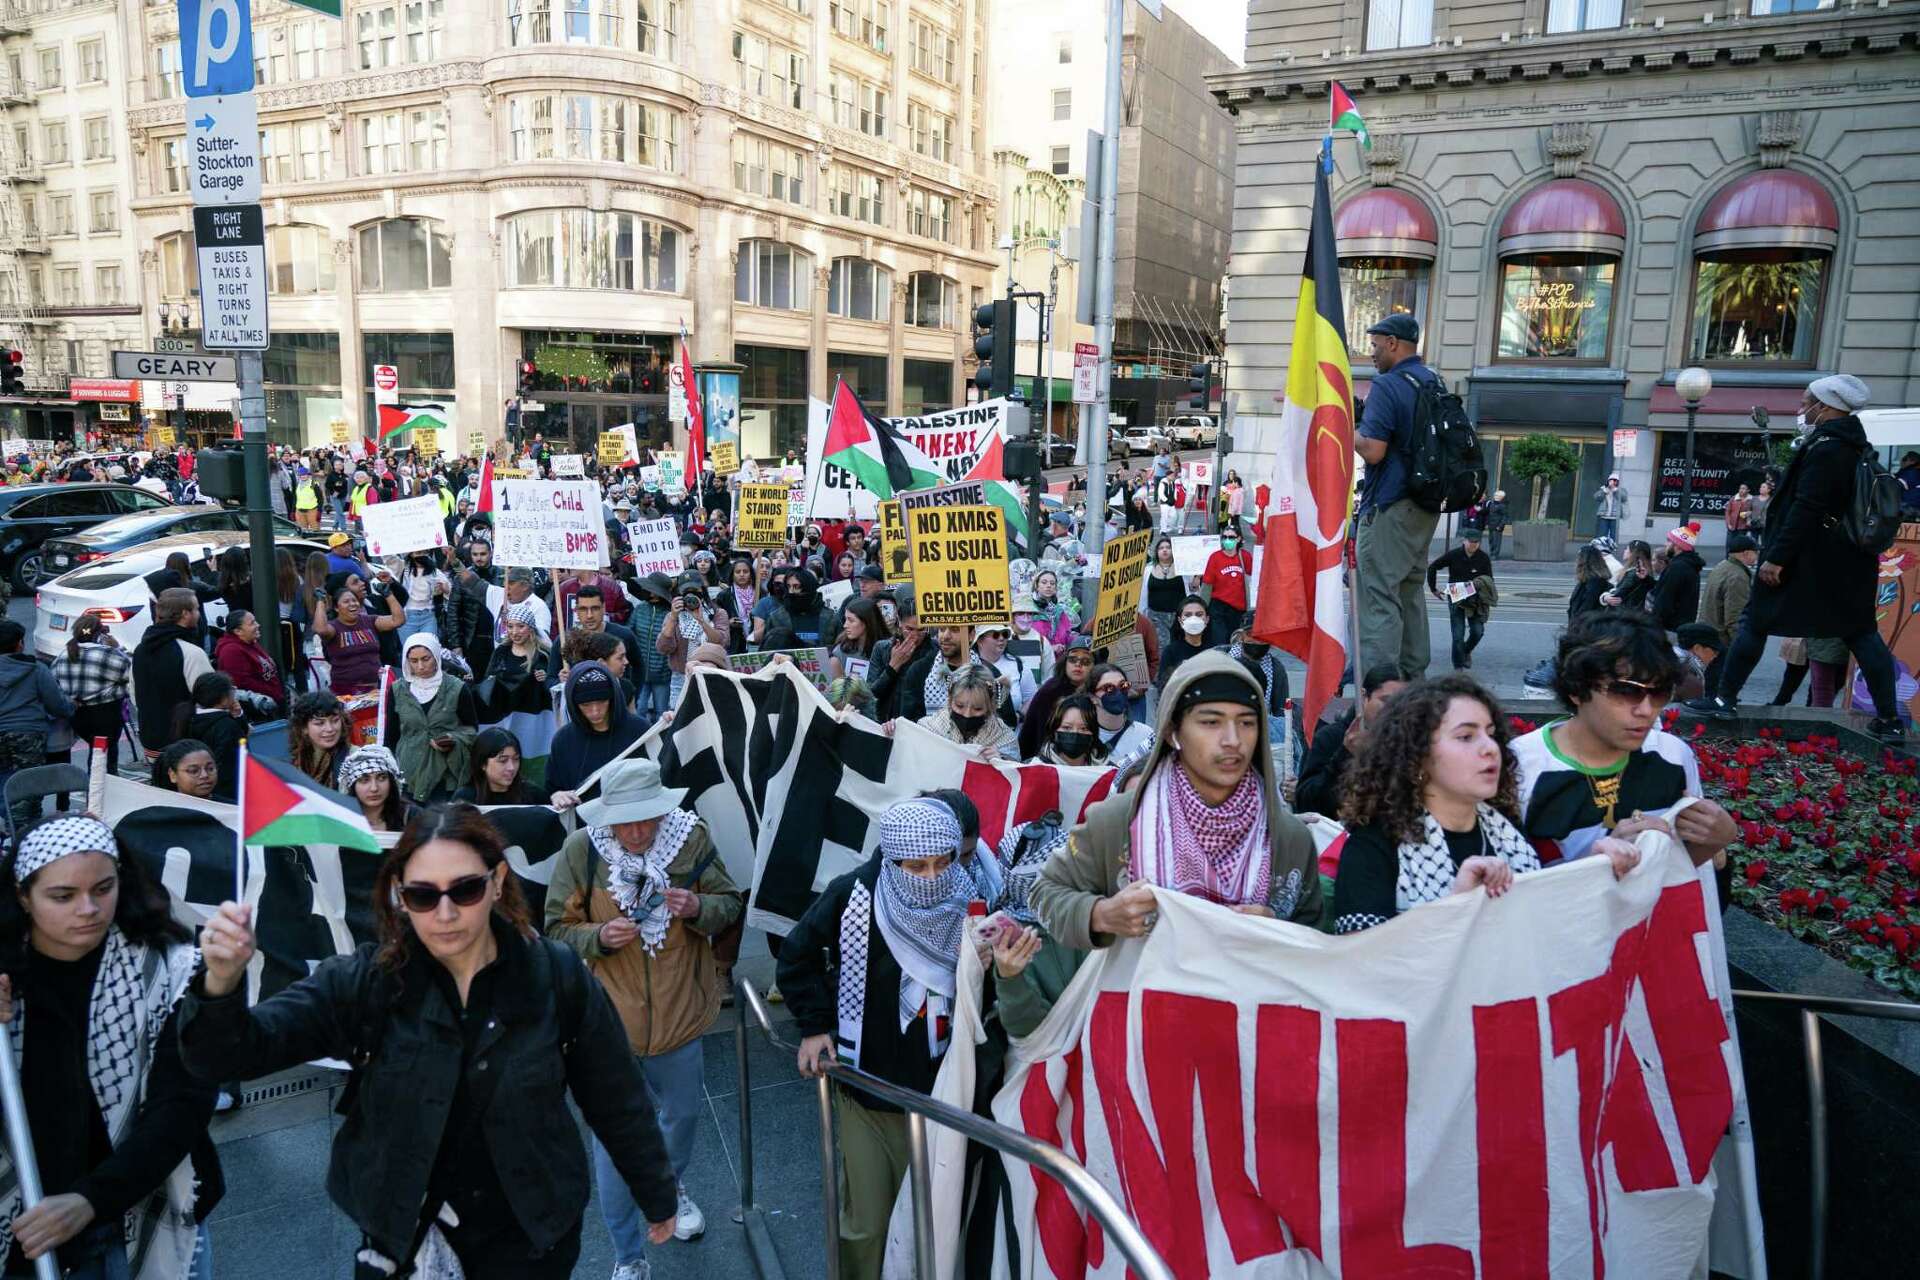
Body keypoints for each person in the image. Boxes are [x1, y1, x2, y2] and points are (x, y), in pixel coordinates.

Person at [183, 804, 680, 1278]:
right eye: (423, 895)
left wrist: (656, 1193)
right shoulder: (366, 983)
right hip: (403, 1233)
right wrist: (219, 984)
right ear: (400, 894)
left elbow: (616, 1094)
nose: (444, 914)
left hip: (530, 1233)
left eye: (464, 890)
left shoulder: (554, 974)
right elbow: (230, 1054)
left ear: (497, 881)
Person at [0, 814, 222, 1279]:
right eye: (63, 896)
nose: (88, 909)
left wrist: (91, 1199)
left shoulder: (170, 968)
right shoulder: (6, 979)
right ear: (23, 896)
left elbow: (181, 1104)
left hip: (147, 1210)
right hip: (27, 1229)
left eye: (103, 888)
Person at [544, 759, 742, 1274]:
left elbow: (729, 905)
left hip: (680, 1014)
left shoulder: (691, 840)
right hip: (607, 1028)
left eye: (646, 818)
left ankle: (667, 1191)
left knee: (682, 1118)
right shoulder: (581, 850)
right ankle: (627, 1256)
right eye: (624, 821)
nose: (635, 832)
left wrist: (697, 906)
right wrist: (597, 938)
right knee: (613, 1143)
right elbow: (554, 930)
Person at [777, 799, 980, 1280]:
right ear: (892, 861)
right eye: (916, 866)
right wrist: (813, 1026)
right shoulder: (854, 896)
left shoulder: (968, 896)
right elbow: (797, 956)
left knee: (938, 1221)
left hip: (943, 1092)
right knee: (867, 1224)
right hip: (868, 1089)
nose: (931, 877)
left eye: (941, 863)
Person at [1031, 650, 1324, 962]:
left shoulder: (1289, 838)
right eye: (1211, 722)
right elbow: (1045, 893)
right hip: (1140, 1005)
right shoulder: (1118, 821)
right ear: (1172, 733)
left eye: (1247, 722)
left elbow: (1315, 942)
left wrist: (1278, 935)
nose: (1232, 740)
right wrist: (1101, 915)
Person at [1331, 676, 1643, 934]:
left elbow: (1544, 915)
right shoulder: (1372, 846)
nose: (1490, 749)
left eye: (1491, 734)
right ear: (1416, 755)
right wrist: (1459, 903)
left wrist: (1595, 867)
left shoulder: (1506, 831)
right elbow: (1364, 966)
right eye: (1466, 737)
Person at [1685, 375, 1905, 738]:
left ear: (1829, 406)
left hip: (1811, 561)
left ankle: (1725, 699)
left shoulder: (1829, 448)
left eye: (1807, 403)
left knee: (1755, 623)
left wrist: (1777, 557)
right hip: (1846, 563)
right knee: (1861, 633)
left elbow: (1807, 507)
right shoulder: (1850, 445)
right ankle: (1889, 719)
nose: (1803, 410)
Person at [1512, 611, 1738, 872]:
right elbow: (1511, 893)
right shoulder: (1520, 768)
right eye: (1627, 690)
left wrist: (1714, 842)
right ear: (1576, 689)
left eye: (1659, 692)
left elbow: (1681, 872)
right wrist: (1601, 867)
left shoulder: (1673, 756)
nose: (1646, 709)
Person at [1350, 314, 1442, 678]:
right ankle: (1413, 680)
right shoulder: (1433, 380)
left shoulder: (1387, 385)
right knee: (1410, 592)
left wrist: (1347, 429)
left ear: (1392, 343)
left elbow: (1373, 450)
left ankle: (1381, 690)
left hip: (1389, 504)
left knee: (1379, 597)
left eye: (1374, 345)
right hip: (1424, 506)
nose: (1372, 353)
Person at [1294, 663, 1407, 819]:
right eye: (1386, 701)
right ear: (1363, 697)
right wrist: (1345, 755)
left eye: (1402, 702)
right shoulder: (1329, 738)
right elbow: (1307, 803)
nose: (1394, 710)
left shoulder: (1410, 742)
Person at [383, 636, 478, 803]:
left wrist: (452, 739)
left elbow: (471, 729)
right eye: (413, 661)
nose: (420, 666)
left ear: (436, 656)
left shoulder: (457, 688)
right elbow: (391, 735)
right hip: (409, 771)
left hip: (446, 773)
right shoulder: (398, 690)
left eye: (425, 659)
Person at [547, 660, 645, 804]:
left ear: (613, 699)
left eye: (602, 702)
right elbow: (552, 787)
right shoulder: (564, 740)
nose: (595, 711)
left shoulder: (640, 731)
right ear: (574, 705)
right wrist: (557, 795)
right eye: (585, 705)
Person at [131, 590, 210, 757]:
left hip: (151, 741)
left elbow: (134, 694)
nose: (199, 614)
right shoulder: (191, 652)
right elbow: (209, 701)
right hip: (186, 746)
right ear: (185, 614)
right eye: (196, 609)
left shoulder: (139, 651)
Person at [52, 614, 132, 775]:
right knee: (104, 758)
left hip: (78, 717)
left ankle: (95, 788)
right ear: (99, 634)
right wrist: (117, 647)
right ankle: (102, 791)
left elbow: (55, 685)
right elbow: (132, 673)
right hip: (105, 715)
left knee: (97, 752)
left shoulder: (62, 656)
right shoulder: (108, 654)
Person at [480, 602, 558, 764]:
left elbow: (551, 688)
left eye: (520, 626)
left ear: (530, 628)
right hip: (505, 716)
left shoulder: (541, 656)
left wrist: (546, 679)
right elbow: (489, 681)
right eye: (510, 626)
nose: (514, 632)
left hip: (530, 721)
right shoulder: (501, 652)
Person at [313, 582, 404, 697]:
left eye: (354, 600)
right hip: (345, 692)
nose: (352, 604)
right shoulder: (334, 627)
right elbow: (320, 629)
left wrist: (388, 595)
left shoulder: (370, 621)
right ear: (336, 608)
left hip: (376, 688)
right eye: (346, 602)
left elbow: (398, 620)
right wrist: (320, 601)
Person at [1696, 533, 1756, 698]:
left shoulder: (1723, 566)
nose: (1756, 556)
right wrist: (1739, 647)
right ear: (1745, 553)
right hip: (1721, 639)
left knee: (1710, 681)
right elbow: (1735, 616)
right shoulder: (1738, 576)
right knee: (1717, 684)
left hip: (1709, 632)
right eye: (1755, 552)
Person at [1428, 525, 1494, 670]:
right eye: (1471, 542)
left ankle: (1466, 651)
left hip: (1475, 601)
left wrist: (1483, 592)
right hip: (1456, 598)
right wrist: (1433, 589)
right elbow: (1432, 567)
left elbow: (1490, 581)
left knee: (1478, 631)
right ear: (1464, 541)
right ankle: (1458, 667)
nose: (1473, 545)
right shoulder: (1454, 555)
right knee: (1458, 636)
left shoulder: (1483, 558)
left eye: (1476, 542)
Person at [916, 666, 1018, 760]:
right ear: (950, 700)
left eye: (977, 709)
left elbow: (1016, 772)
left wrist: (1002, 759)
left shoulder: (1004, 736)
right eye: (960, 706)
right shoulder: (928, 729)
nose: (967, 714)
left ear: (990, 707)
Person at [174, 673, 245, 803]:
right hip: (227, 792)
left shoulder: (187, 717)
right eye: (232, 690)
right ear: (223, 699)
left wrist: (238, 716)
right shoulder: (227, 725)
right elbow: (232, 761)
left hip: (196, 790)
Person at [1017, 642, 1094, 761]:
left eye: (1085, 661)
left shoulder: (1098, 691)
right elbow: (1036, 734)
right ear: (1065, 662)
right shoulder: (1050, 691)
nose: (1078, 664)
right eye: (1073, 659)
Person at [453, 727, 554, 806]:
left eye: (516, 759)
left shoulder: (534, 795)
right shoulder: (465, 798)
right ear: (482, 763)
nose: (511, 767)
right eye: (503, 760)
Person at [213, 609, 286, 713]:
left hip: (274, 702)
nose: (258, 625)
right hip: (259, 710)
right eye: (252, 623)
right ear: (238, 631)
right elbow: (242, 684)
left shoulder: (250, 642)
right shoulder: (230, 651)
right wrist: (272, 695)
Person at [1089, 663, 1153, 766]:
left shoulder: (1146, 734)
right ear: (1092, 698)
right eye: (1108, 688)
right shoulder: (1084, 735)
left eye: (1123, 686)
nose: (1118, 693)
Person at [1198, 527, 1253, 646]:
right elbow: (1207, 585)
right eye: (1225, 537)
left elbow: (1252, 580)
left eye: (1231, 537)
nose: (1227, 540)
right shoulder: (1215, 557)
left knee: (1236, 643)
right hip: (1219, 607)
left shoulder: (1245, 557)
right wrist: (1202, 608)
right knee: (1220, 641)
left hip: (1239, 609)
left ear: (1238, 539)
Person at [339, 745, 412, 833]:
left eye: (381, 778)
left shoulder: (411, 816)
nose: (374, 788)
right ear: (353, 785)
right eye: (365, 780)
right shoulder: (341, 821)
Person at [1652, 522, 1705, 635]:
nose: (1666, 544)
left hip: (1670, 628)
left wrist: (1653, 625)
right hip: (1681, 626)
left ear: (1678, 545)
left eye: (1669, 541)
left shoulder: (1677, 567)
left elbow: (1664, 600)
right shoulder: (1689, 565)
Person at [1032, 694, 1099, 767]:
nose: (1075, 733)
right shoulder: (1033, 769)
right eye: (1067, 727)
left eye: (1084, 728)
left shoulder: (1108, 772)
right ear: (1054, 730)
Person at [149, 738, 219, 800]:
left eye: (210, 769)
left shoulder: (227, 807)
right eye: (194, 771)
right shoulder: (163, 811)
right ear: (173, 775)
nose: (204, 775)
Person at [1568, 544, 1613, 620]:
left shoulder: (1594, 582)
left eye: (1579, 557)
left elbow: (1586, 607)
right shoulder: (1589, 580)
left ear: (1584, 561)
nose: (1576, 560)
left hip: (1586, 627)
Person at [1593, 473, 1629, 542]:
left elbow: (1624, 498)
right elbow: (1596, 497)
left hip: (1615, 517)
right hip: (1604, 516)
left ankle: (1612, 549)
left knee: (1613, 535)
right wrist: (1604, 491)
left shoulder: (1621, 490)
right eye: (1611, 480)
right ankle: (1601, 548)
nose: (1613, 482)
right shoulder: (1603, 489)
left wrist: (1615, 490)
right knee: (1602, 535)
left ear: (1618, 482)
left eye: (1615, 480)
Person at [1482, 489, 1509, 560]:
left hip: (1497, 526)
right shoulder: (1490, 503)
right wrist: (1486, 523)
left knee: (1496, 541)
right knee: (1491, 539)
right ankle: (1491, 552)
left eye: (1498, 496)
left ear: (1501, 497)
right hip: (1491, 525)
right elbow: (1487, 513)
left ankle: (1495, 554)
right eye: (1495, 495)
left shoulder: (1502, 506)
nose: (1496, 496)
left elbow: (1505, 517)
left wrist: (1500, 526)